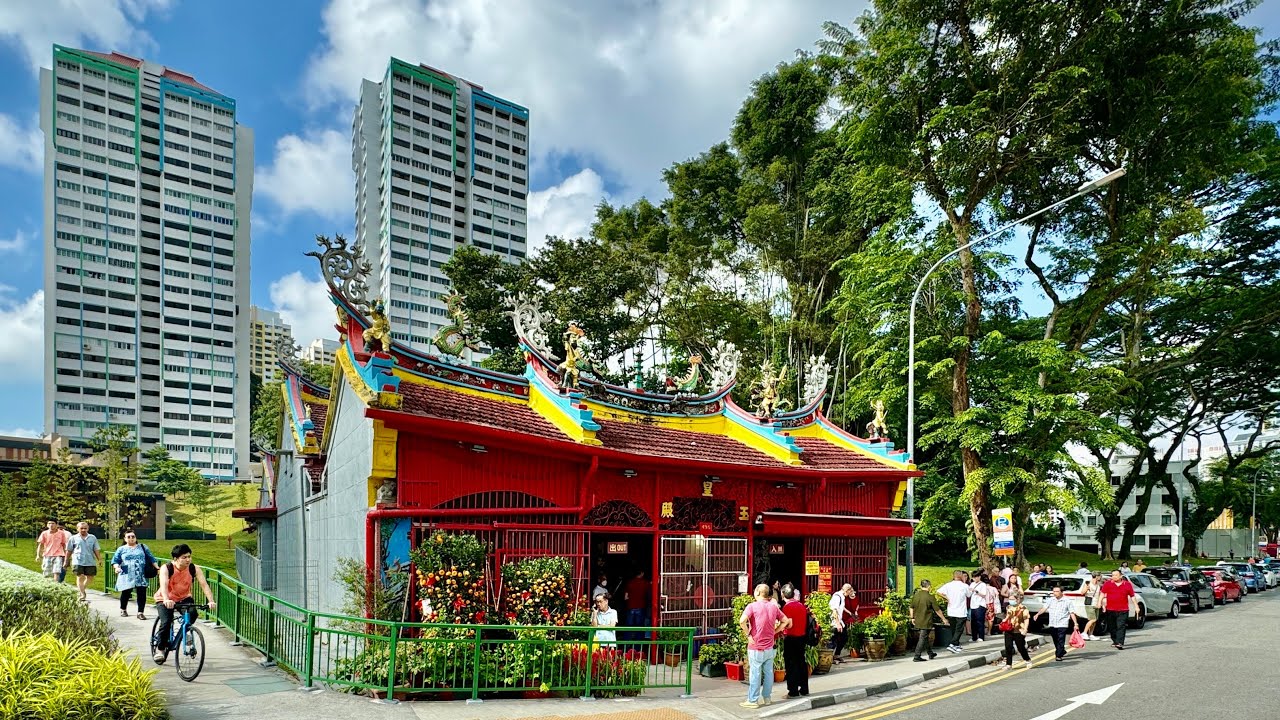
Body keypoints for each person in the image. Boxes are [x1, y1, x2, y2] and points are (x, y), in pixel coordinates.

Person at [152, 544, 217, 664]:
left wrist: (211, 600)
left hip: (184, 598)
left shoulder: (194, 568)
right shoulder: (166, 568)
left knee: (192, 614)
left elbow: (204, 585)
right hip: (164, 598)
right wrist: (166, 599)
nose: (188, 560)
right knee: (166, 621)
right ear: (176, 559)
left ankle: (185, 632)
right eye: (184, 557)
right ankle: (160, 649)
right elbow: (164, 585)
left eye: (189, 557)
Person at [739, 584, 789, 709]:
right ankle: (767, 698)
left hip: (756, 646)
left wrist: (748, 635)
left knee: (755, 674)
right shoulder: (773, 607)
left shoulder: (752, 606)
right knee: (768, 673)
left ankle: (753, 700)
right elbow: (786, 621)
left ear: (757, 593)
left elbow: (741, 621)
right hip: (769, 646)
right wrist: (775, 631)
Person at [112, 531, 160, 619]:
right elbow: (115, 560)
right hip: (127, 574)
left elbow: (151, 558)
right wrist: (116, 567)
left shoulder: (142, 547)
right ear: (125, 539)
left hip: (140, 574)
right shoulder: (121, 549)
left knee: (141, 593)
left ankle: (140, 612)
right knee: (126, 593)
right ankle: (123, 609)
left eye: (133, 536)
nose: (131, 538)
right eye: (128, 537)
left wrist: (157, 568)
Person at [1034, 585, 1078, 661]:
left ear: (1062, 592)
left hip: (1062, 623)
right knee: (1055, 639)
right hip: (1052, 623)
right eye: (1054, 591)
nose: (1055, 593)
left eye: (1057, 591)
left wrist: (1075, 623)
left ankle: (1058, 655)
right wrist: (1038, 614)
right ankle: (1062, 650)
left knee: (1061, 639)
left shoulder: (1067, 601)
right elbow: (1044, 608)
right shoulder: (1051, 600)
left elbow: (1072, 612)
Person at [780, 588, 810, 698]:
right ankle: (804, 689)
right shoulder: (801, 605)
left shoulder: (787, 607)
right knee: (801, 662)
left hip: (791, 638)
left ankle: (793, 691)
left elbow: (789, 624)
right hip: (801, 637)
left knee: (791, 665)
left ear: (783, 594)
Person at [1098, 569, 1136, 650]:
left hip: (1123, 609)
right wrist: (1099, 603)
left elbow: (1132, 596)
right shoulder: (1108, 584)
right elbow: (1102, 594)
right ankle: (1115, 640)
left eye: (1115, 575)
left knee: (1121, 626)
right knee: (1112, 627)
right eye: (1112, 575)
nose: (1113, 577)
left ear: (1121, 576)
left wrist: (1136, 606)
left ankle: (1120, 642)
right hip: (1110, 609)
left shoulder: (1127, 584)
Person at [910, 579, 946, 662]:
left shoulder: (916, 595)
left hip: (917, 619)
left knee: (925, 637)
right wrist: (944, 619)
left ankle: (930, 653)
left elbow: (911, 607)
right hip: (926, 620)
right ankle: (917, 656)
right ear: (929, 586)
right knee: (923, 638)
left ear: (921, 586)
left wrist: (912, 618)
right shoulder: (930, 597)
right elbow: (937, 610)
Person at [66, 522, 101, 602]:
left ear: (88, 528)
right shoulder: (73, 538)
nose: (83, 530)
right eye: (81, 528)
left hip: (90, 560)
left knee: (90, 577)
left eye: (85, 528)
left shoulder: (92, 537)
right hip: (77, 561)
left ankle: (81, 589)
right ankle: (82, 594)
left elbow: (96, 549)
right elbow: (69, 550)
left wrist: (99, 559)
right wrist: (66, 560)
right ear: (77, 529)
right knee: (80, 576)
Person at [938, 571, 971, 653]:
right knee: (959, 629)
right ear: (961, 576)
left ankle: (956, 645)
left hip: (951, 610)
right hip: (961, 611)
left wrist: (947, 598)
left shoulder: (948, 585)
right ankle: (952, 644)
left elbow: (938, 591)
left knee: (953, 628)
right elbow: (969, 595)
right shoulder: (964, 586)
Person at [1000, 597, 1033, 669]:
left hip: (1019, 630)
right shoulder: (1008, 607)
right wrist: (1004, 620)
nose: (1010, 601)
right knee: (1008, 647)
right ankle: (1009, 664)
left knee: (1020, 647)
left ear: (1017, 599)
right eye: (1010, 599)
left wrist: (1025, 629)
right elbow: (1008, 616)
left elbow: (1026, 619)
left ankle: (1027, 660)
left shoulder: (1023, 608)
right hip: (1009, 629)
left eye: (1012, 599)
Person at [622, 570, 651, 645]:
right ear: (642, 573)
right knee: (639, 627)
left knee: (628, 627)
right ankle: (638, 647)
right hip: (640, 607)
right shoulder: (645, 583)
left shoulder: (630, 583)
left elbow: (625, 597)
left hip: (630, 607)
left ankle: (626, 645)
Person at [828, 584, 855, 663]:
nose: (850, 593)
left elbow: (842, 607)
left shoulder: (842, 597)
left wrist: (850, 613)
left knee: (844, 637)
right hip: (834, 622)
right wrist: (838, 623)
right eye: (850, 591)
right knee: (833, 640)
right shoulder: (837, 596)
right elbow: (834, 610)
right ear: (847, 590)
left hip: (839, 621)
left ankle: (836, 655)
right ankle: (830, 658)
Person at [968, 574, 992, 643]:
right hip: (973, 605)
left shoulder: (983, 585)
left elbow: (984, 594)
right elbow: (969, 594)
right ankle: (974, 637)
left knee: (980, 621)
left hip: (980, 605)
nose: (975, 579)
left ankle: (981, 636)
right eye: (974, 577)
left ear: (979, 577)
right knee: (973, 622)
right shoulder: (972, 584)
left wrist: (976, 591)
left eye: (976, 577)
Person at [1082, 572, 1103, 640]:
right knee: (1092, 619)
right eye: (1100, 576)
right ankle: (1084, 633)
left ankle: (1091, 634)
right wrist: (1087, 589)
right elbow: (1082, 592)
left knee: (1095, 620)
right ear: (1096, 576)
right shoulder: (1088, 583)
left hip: (1096, 603)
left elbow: (1099, 594)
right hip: (1090, 603)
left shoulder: (1098, 584)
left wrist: (1100, 603)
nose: (1101, 577)